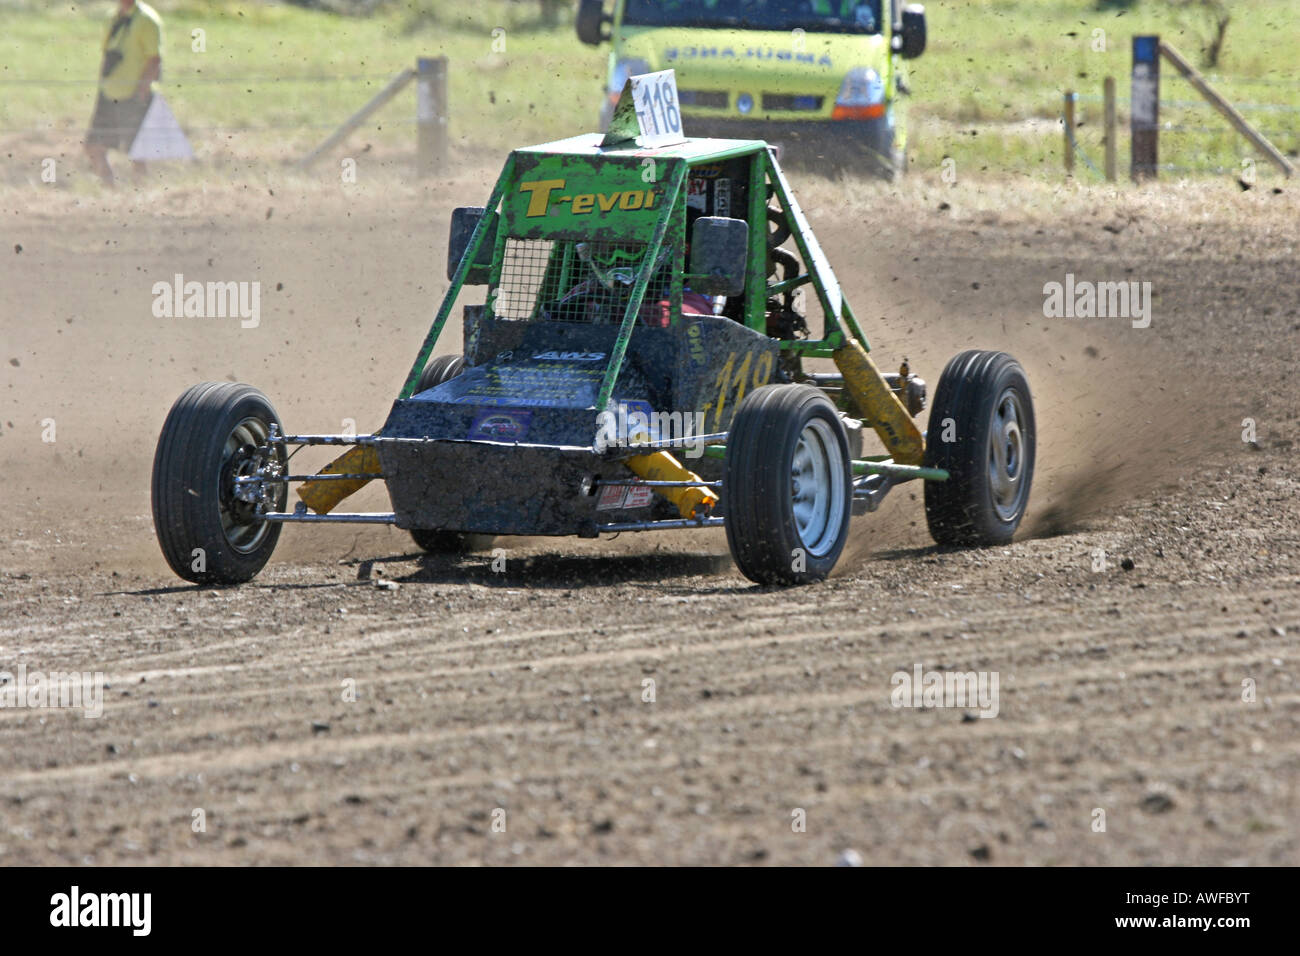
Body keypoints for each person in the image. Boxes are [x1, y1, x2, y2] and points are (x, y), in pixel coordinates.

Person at [85, 0, 163, 187]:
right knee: (93, 146)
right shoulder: (111, 18)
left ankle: (142, 194)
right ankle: (110, 190)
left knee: (137, 151)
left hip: (134, 92)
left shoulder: (147, 19)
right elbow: (107, 54)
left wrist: (142, 88)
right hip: (109, 90)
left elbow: (154, 58)